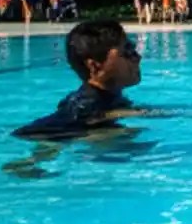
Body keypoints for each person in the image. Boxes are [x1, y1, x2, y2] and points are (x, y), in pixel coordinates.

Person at [10, 20, 143, 144]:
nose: (137, 57)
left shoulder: (109, 94)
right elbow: (65, 124)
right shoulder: (86, 102)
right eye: (127, 51)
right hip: (41, 133)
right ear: (95, 66)